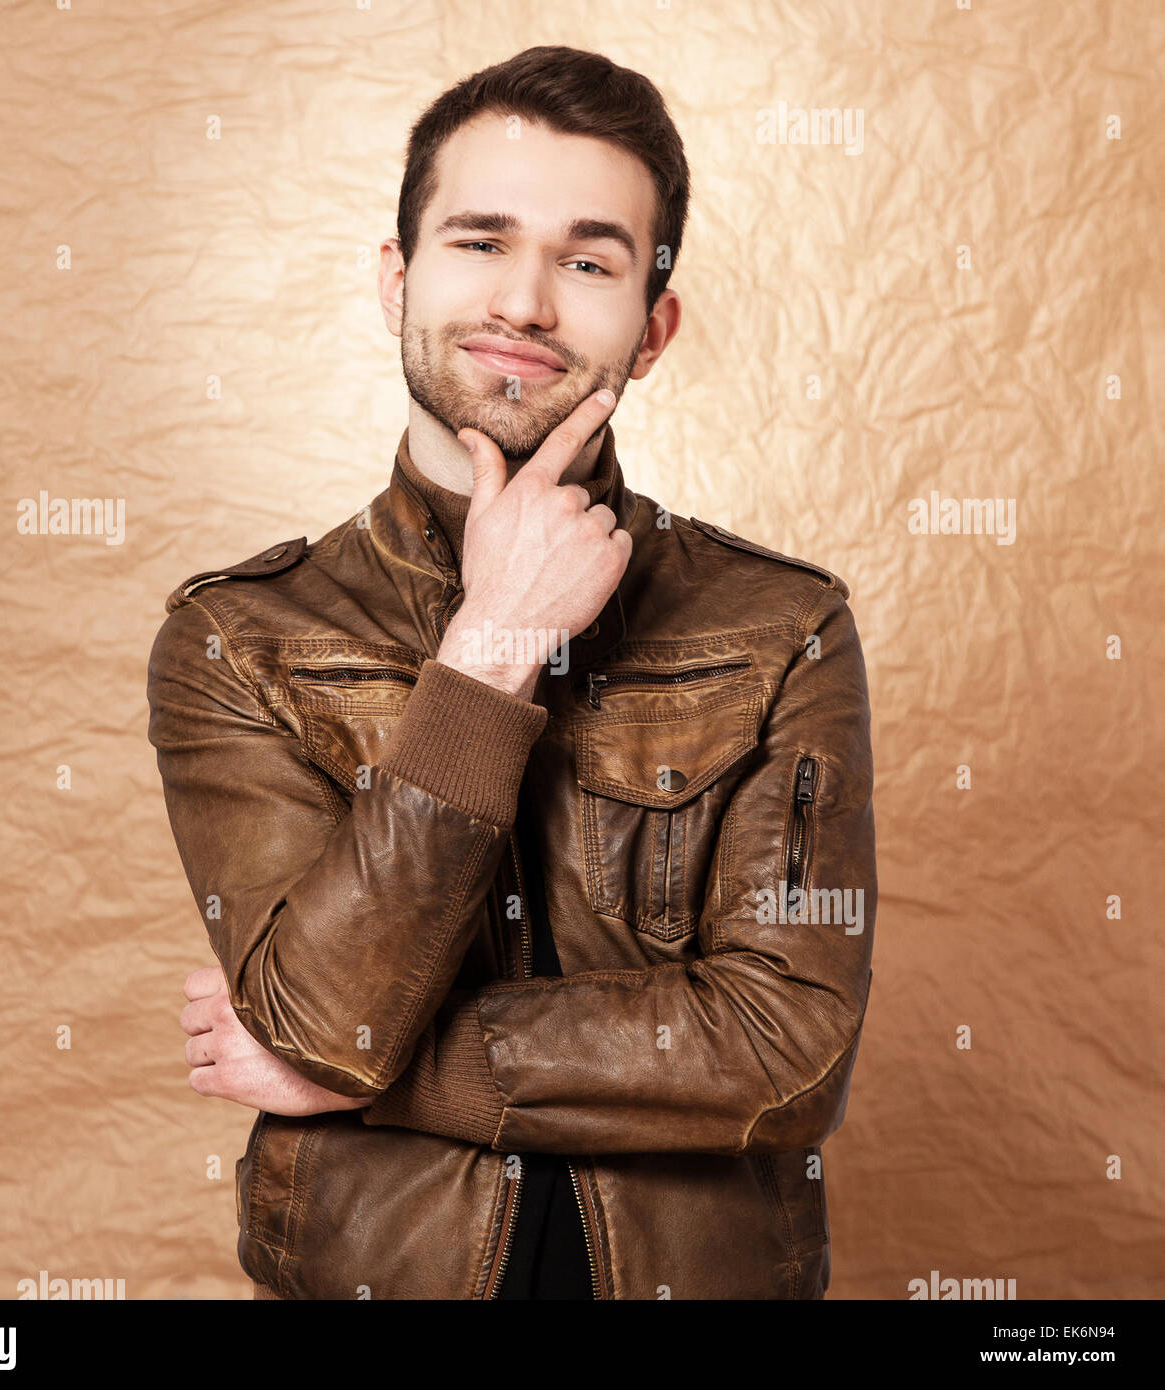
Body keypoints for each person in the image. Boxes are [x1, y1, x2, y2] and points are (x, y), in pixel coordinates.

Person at [147, 45, 877, 1300]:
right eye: (480, 242)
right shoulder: (239, 637)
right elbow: (318, 1019)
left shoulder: (782, 623)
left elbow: (787, 1049)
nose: (527, 305)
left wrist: (387, 1073)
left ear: (650, 329)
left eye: (588, 261)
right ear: (397, 279)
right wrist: (491, 647)